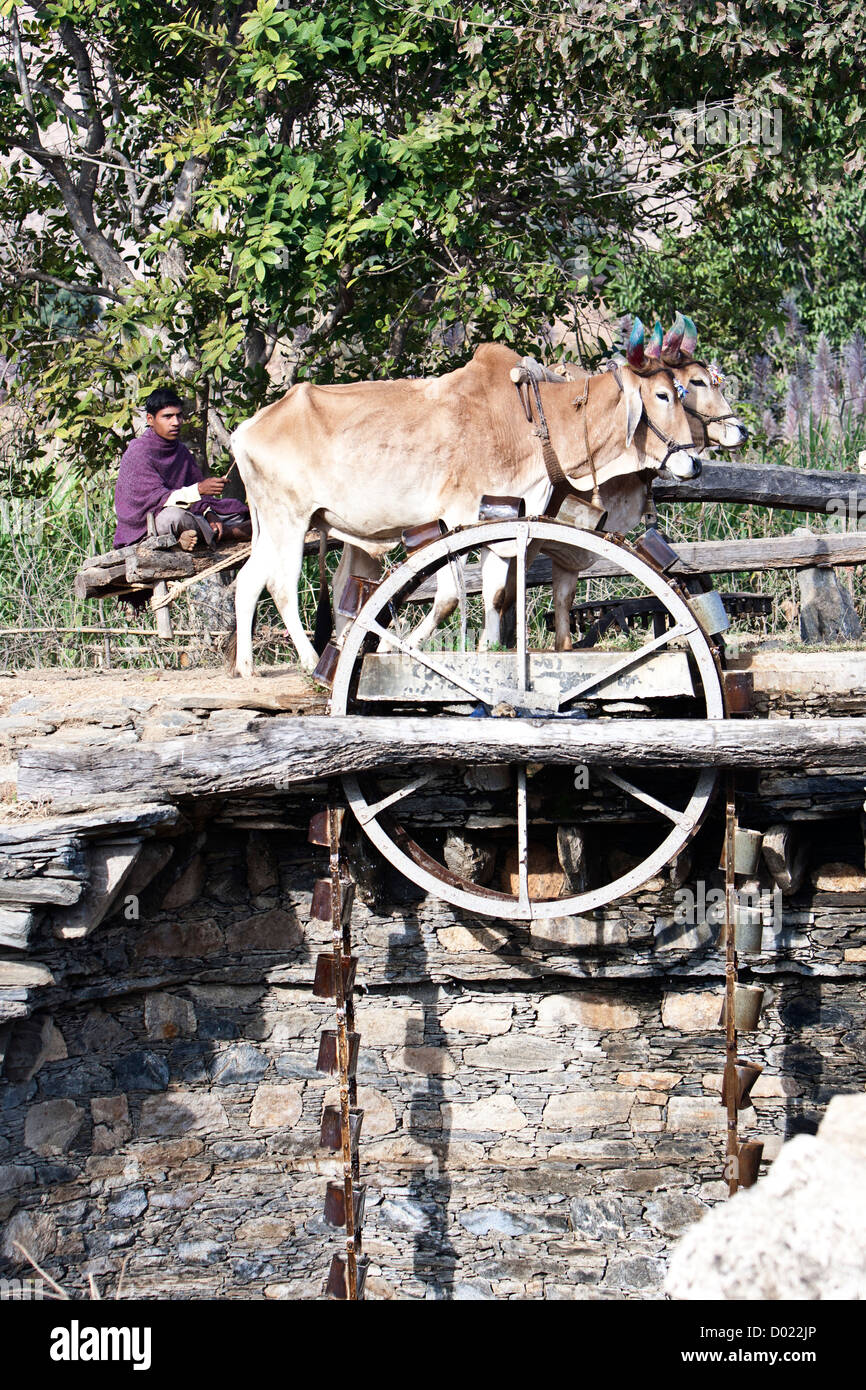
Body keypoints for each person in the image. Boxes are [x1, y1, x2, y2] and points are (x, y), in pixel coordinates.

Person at [114, 388, 251, 551]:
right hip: (151, 524)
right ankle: (229, 533)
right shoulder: (139, 451)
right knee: (172, 517)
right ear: (150, 419)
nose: (176, 422)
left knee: (234, 510)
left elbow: (199, 501)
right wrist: (199, 489)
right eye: (167, 416)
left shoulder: (180, 451)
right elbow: (156, 500)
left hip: (191, 516)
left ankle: (210, 530)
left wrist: (209, 513)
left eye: (179, 416)